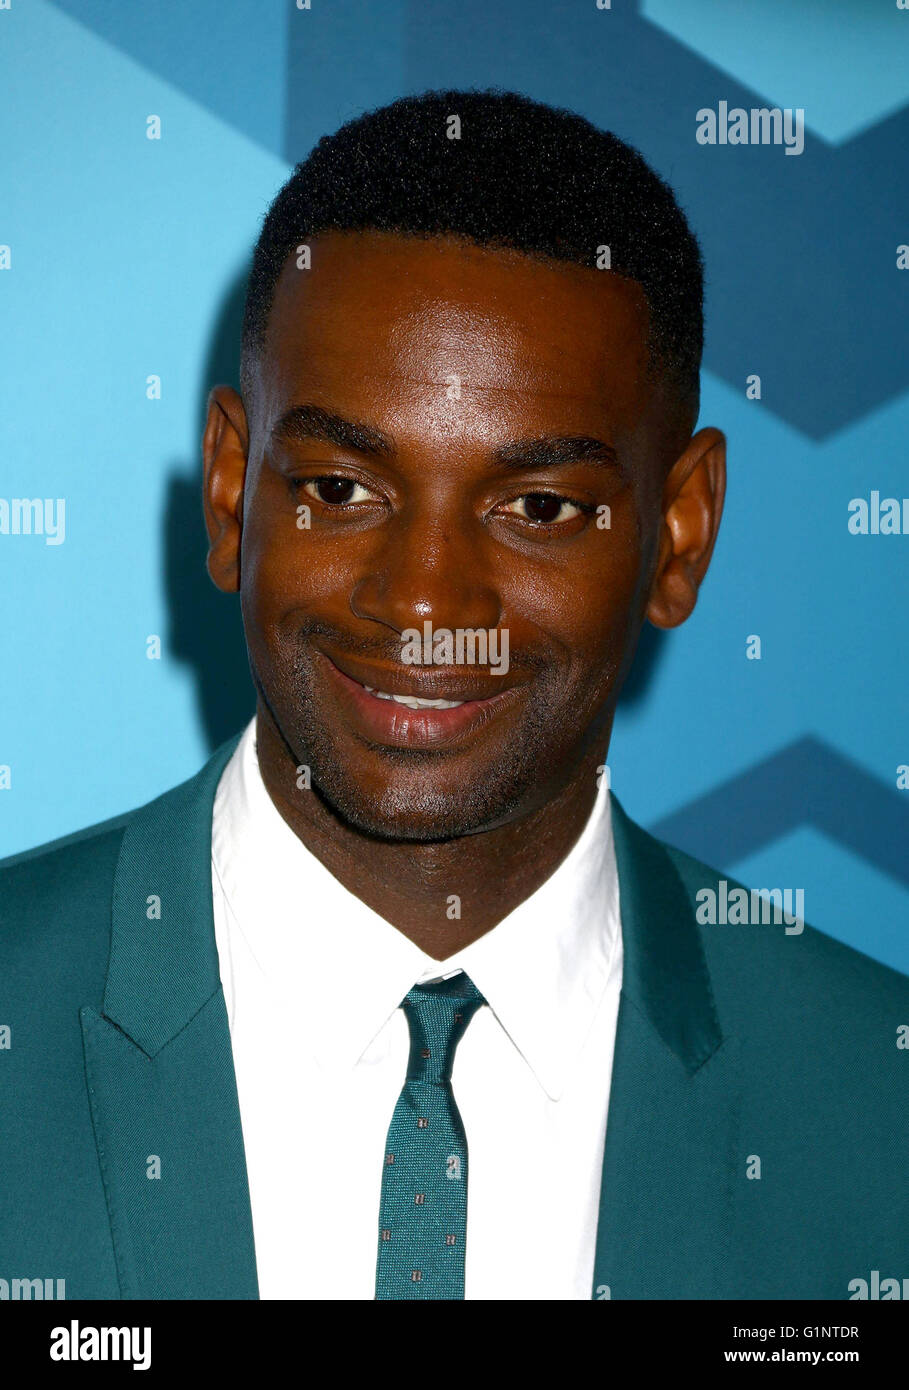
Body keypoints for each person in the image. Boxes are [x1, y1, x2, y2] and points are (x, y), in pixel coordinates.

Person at [2, 89, 906, 1302]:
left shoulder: (874, 1102)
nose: (427, 602)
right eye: (338, 487)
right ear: (230, 493)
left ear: (681, 535)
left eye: (537, 509)